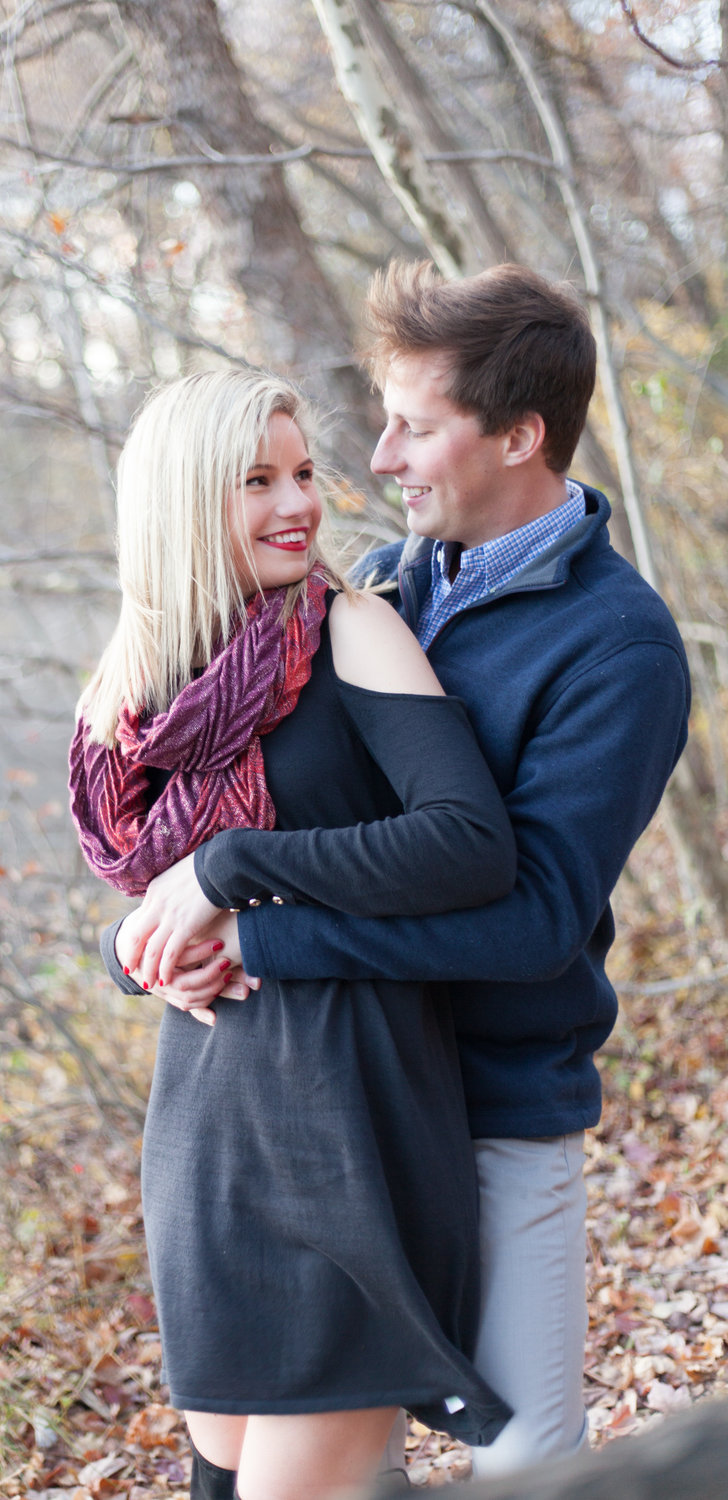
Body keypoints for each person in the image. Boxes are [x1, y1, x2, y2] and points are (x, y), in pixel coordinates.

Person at [118, 263, 692, 1480]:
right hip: (330, 1103)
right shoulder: (371, 584)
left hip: (493, 1103)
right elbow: (214, 818)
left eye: (414, 427)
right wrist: (154, 942)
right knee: (330, 1460)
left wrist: (257, 932)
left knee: (528, 1464)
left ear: (519, 435)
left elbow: (531, 916)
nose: (378, 458)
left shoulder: (616, 648)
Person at [68, 367, 518, 1500]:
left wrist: (234, 868)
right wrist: (141, 957)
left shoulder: (347, 628)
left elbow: (467, 846)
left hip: (349, 1121)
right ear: (181, 503)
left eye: (304, 474)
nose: (298, 504)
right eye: (255, 481)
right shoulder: (132, 694)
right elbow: (138, 910)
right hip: (209, 1144)